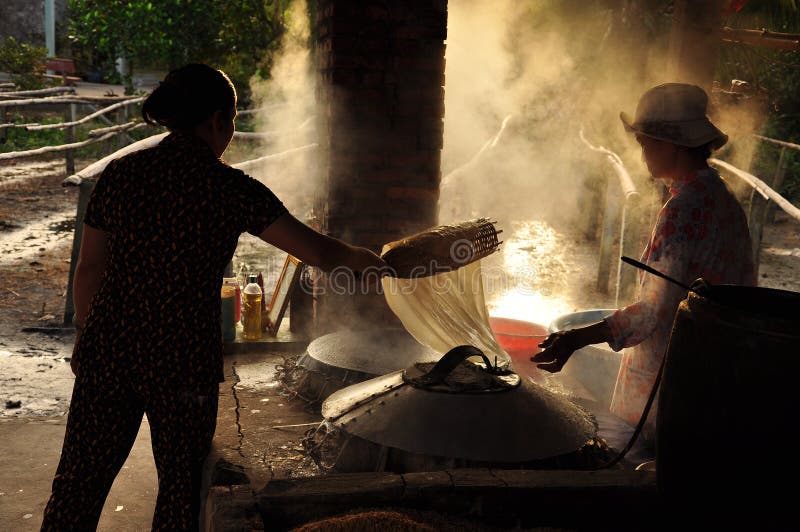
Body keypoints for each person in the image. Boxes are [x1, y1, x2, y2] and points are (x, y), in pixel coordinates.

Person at [41, 63, 386, 531]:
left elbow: (89, 268)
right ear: (217, 121)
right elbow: (318, 251)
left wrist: (88, 334)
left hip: (111, 351)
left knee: (78, 485)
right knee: (180, 492)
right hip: (182, 361)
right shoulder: (230, 188)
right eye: (234, 120)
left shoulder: (121, 174)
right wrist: (372, 262)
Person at [532, 83, 756, 445]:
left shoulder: (682, 211)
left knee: (643, 471)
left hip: (668, 382)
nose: (642, 154)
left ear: (675, 144)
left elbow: (654, 312)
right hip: (713, 376)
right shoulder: (726, 203)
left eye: (646, 143)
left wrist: (577, 337)